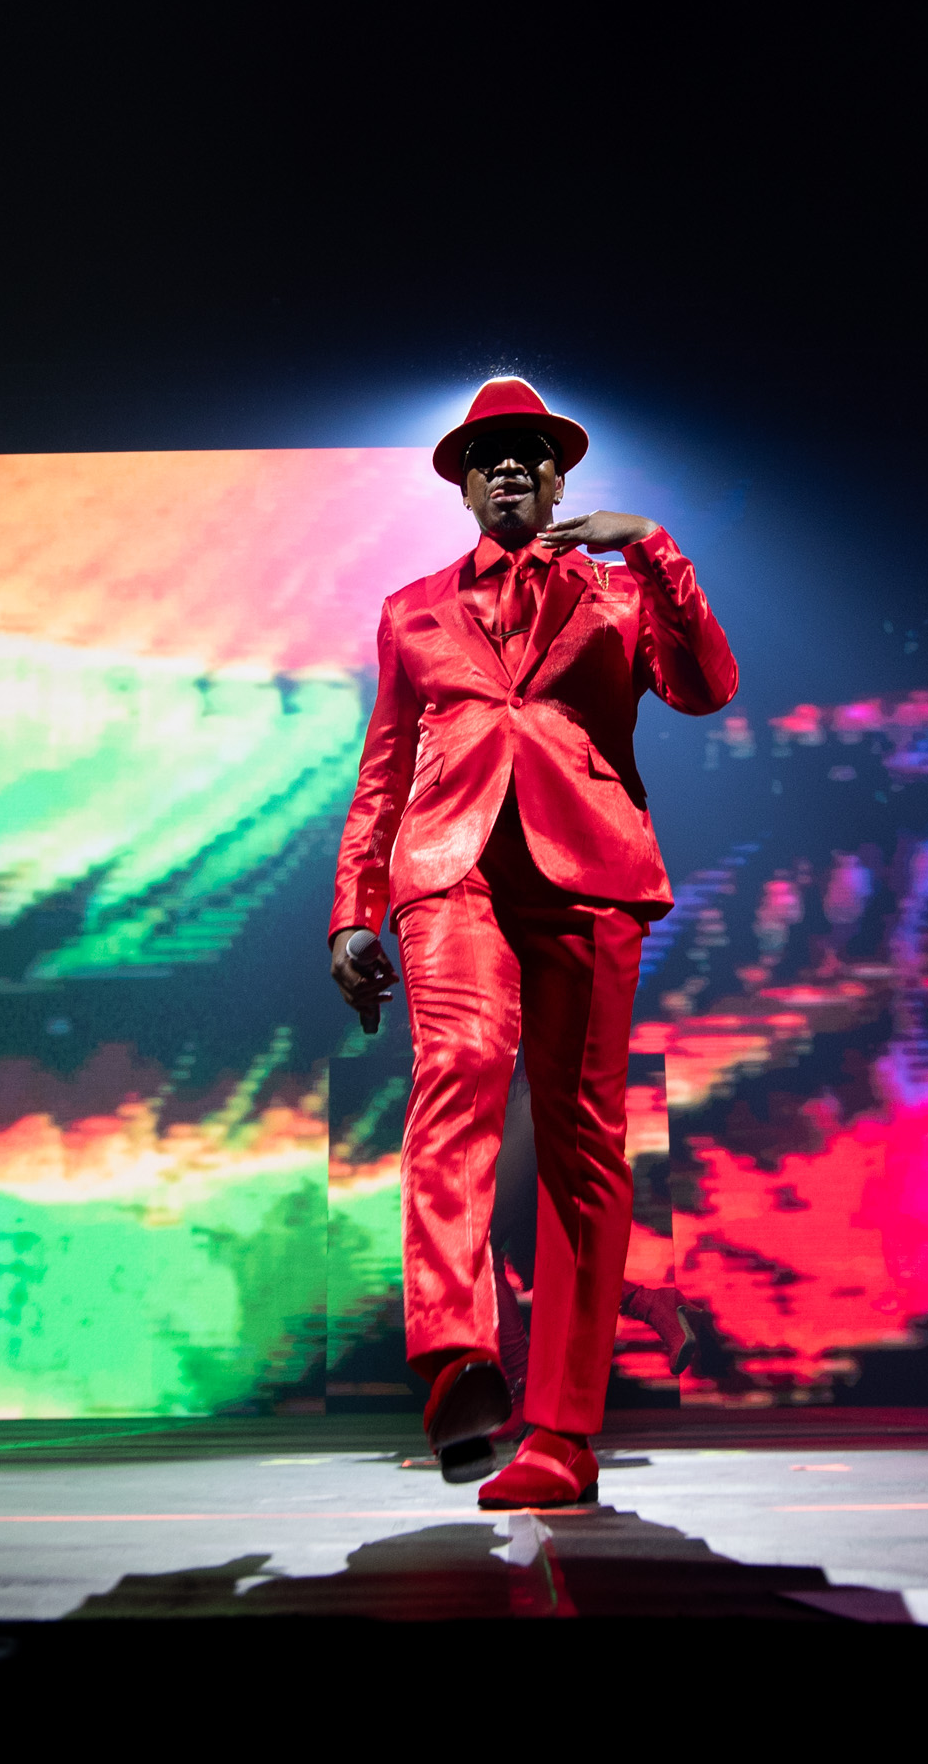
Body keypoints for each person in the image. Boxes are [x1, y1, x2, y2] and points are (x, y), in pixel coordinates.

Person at [328, 378, 737, 1509]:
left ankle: (560, 1431)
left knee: (581, 1139)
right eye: (487, 456)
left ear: (559, 479)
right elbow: (381, 768)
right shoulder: (411, 607)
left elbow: (704, 687)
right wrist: (350, 908)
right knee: (457, 1064)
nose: (509, 469)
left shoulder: (615, 591)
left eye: (530, 455)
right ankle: (457, 1352)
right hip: (447, 867)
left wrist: (652, 547)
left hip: (589, 872)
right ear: (462, 484)